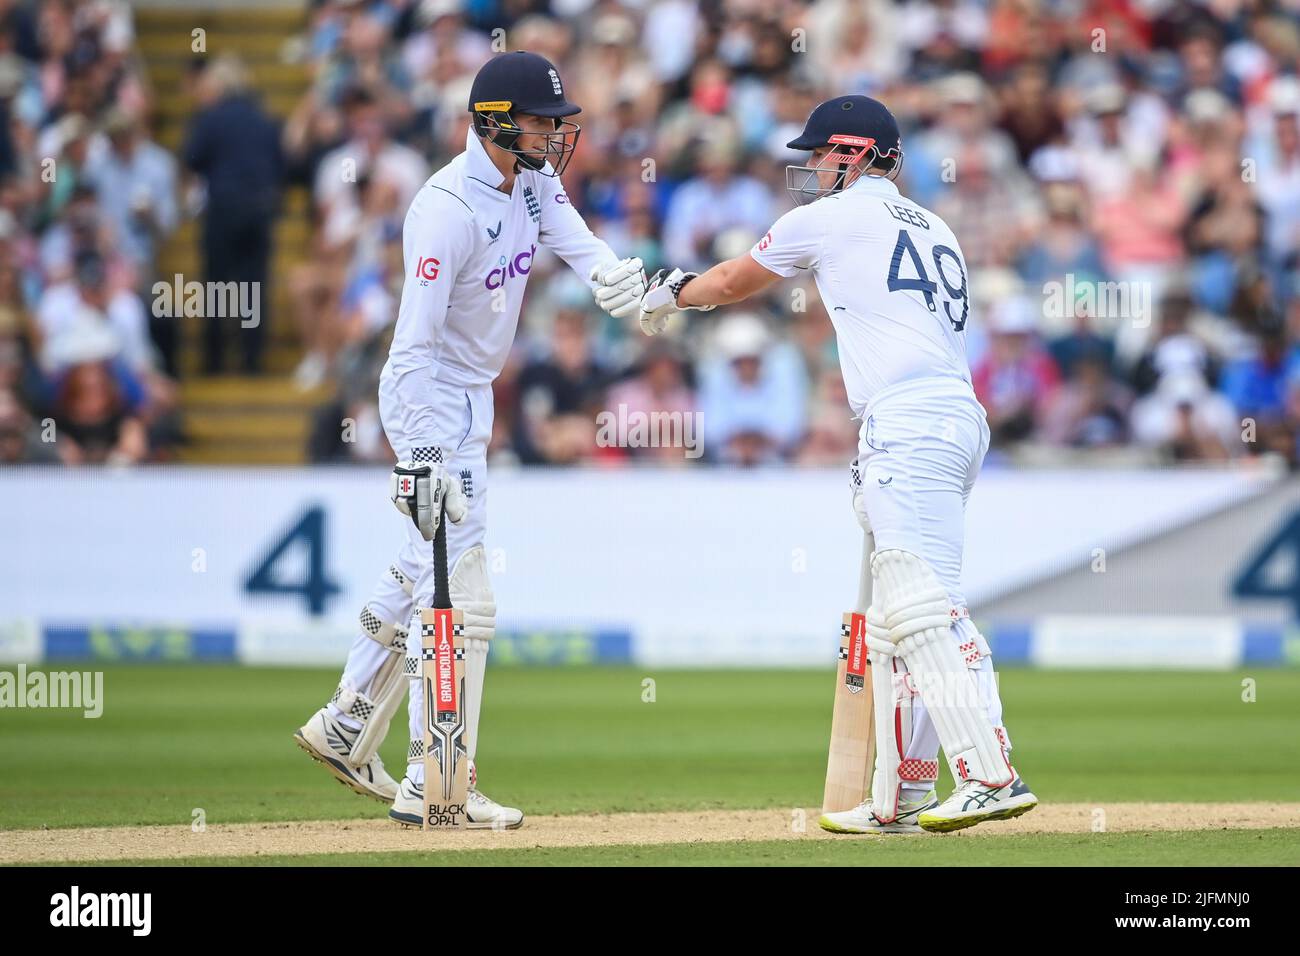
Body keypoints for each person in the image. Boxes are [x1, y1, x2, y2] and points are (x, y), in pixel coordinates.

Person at [606, 94, 1037, 834]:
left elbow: (736, 282)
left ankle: (990, 772)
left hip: (910, 420)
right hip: (950, 418)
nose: (808, 167)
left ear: (858, 153)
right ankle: (900, 797)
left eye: (820, 154)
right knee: (902, 617)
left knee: (923, 606)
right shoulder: (933, 224)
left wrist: (665, 293)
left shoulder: (831, 218)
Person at [293, 51, 645, 829]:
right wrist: (418, 451)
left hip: (471, 398)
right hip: (428, 397)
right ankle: (436, 779)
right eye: (540, 122)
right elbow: (410, 346)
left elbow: (584, 249)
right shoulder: (445, 208)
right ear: (494, 123)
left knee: (427, 566)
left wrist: (626, 285)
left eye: (557, 123)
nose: (554, 136)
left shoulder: (534, 181)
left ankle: (350, 722)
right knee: (462, 590)